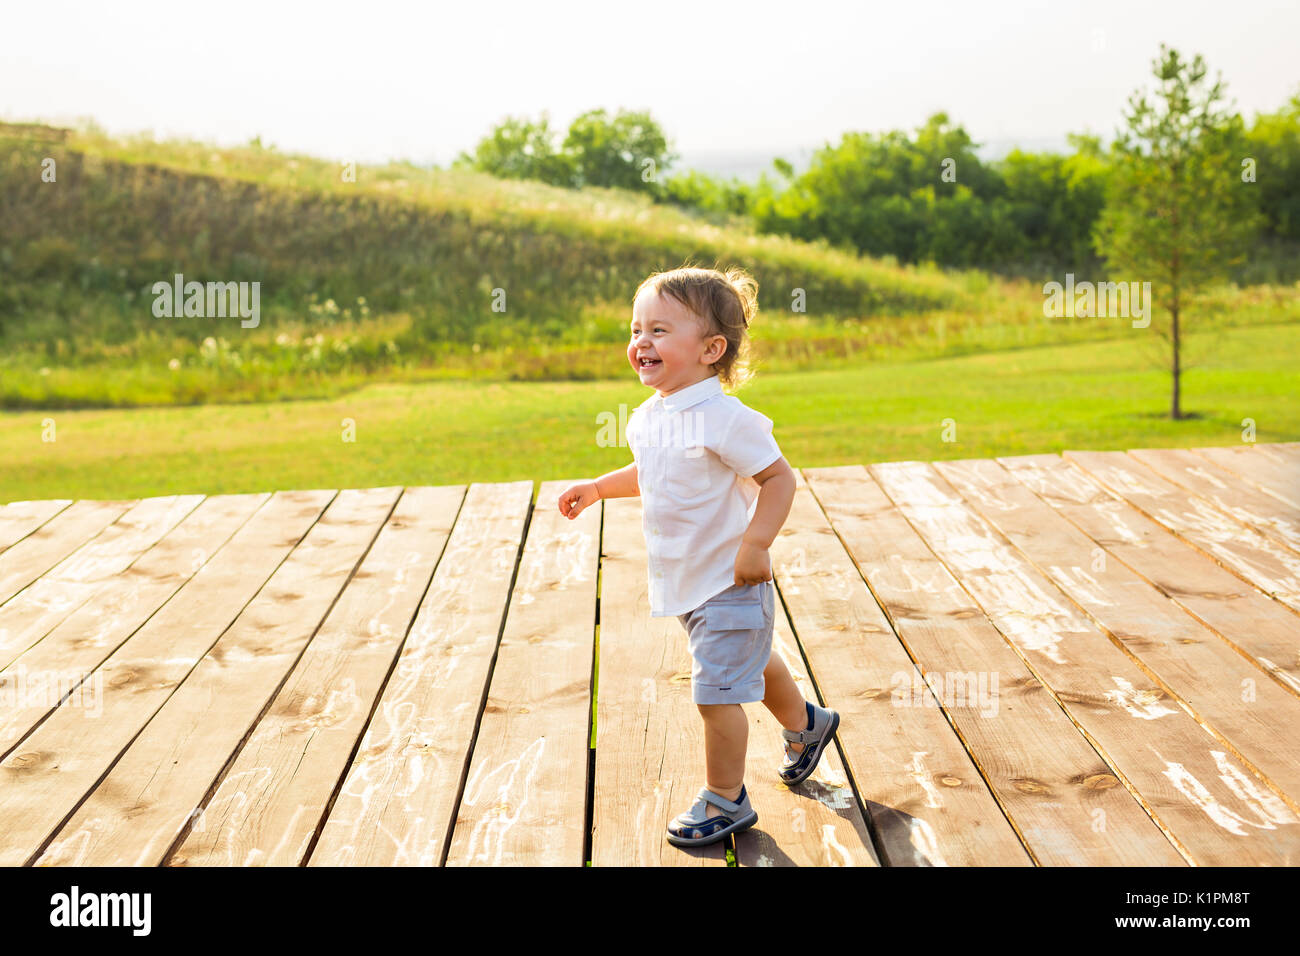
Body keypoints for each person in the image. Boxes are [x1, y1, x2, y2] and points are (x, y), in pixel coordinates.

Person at [557, 263, 840, 847]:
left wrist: (755, 542)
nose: (640, 342)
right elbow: (654, 472)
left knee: (715, 693)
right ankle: (807, 726)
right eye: (636, 330)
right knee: (753, 661)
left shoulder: (725, 419)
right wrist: (598, 487)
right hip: (690, 582)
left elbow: (780, 479)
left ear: (711, 349)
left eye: (659, 331)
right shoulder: (651, 416)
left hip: (730, 581)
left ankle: (726, 798)